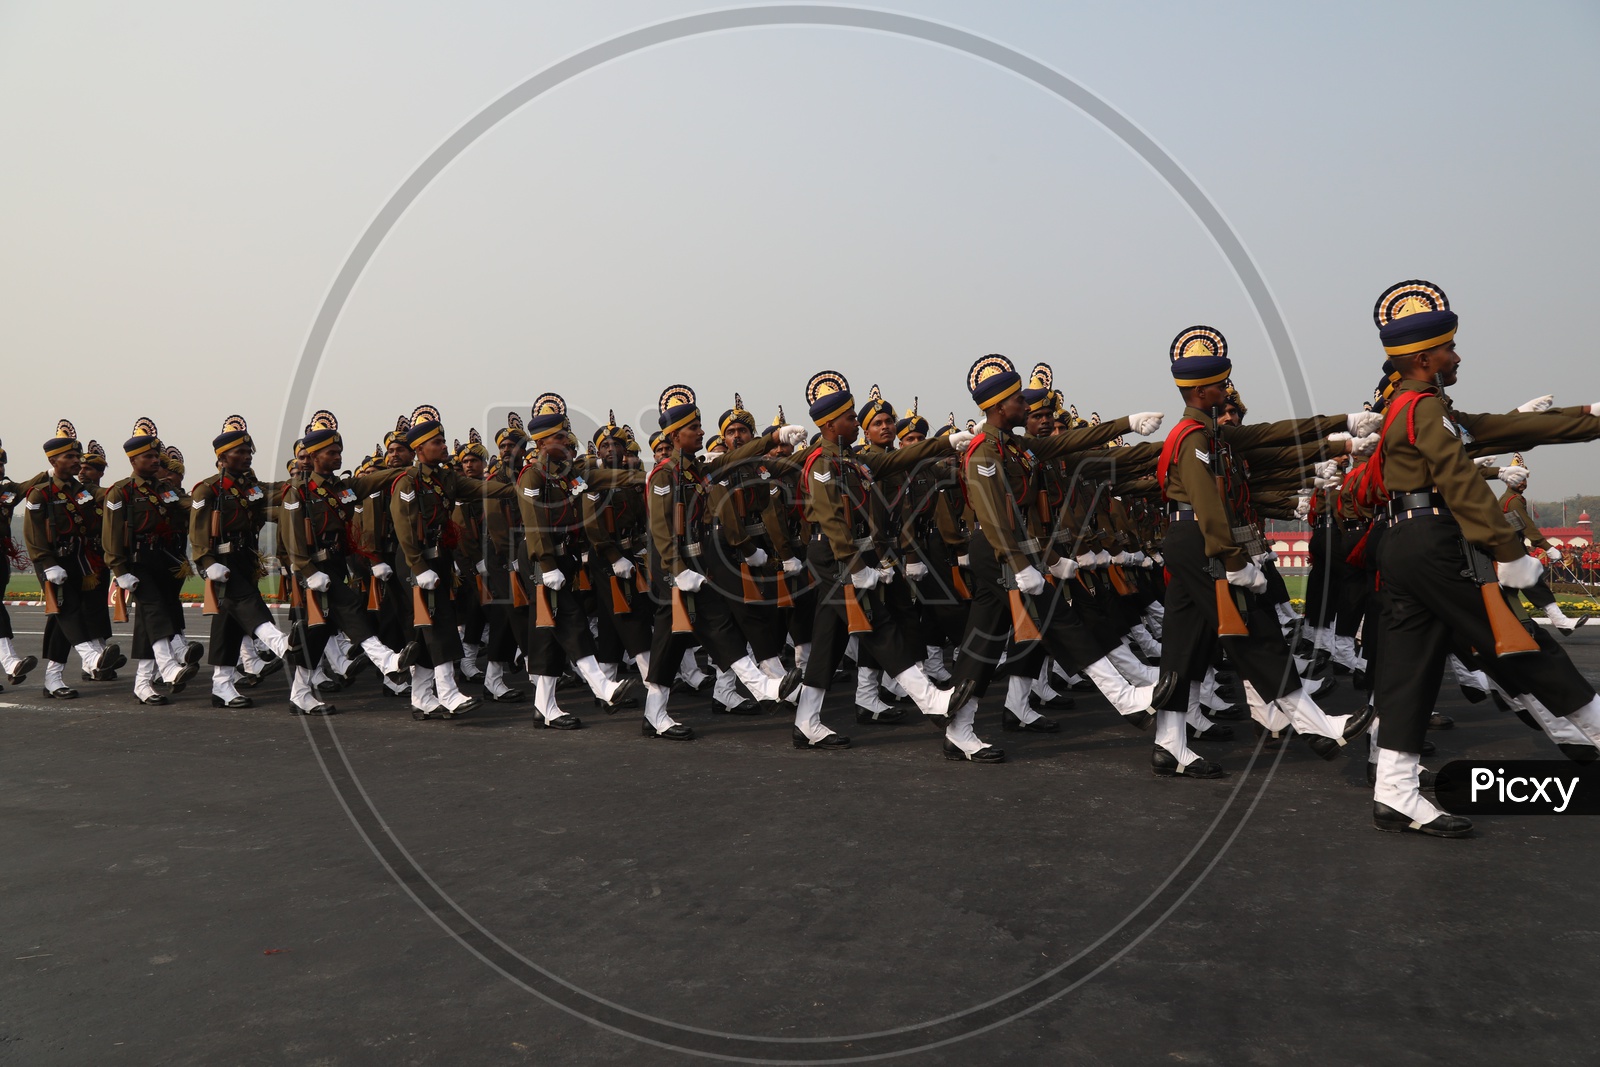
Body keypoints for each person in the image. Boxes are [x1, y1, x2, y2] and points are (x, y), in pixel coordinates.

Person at [1360, 280, 1600, 836]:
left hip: (1405, 544)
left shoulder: (1420, 406)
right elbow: (1460, 478)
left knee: (1409, 669)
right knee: (1517, 643)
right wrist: (1508, 549)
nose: (1456, 354)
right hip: (1434, 542)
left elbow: (1506, 427)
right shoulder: (1422, 409)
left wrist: (1589, 416)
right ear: (1423, 358)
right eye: (1447, 348)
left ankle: (1395, 791)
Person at [1151, 327, 1376, 777]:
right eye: (1219, 384)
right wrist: (1234, 561)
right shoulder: (1193, 438)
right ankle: (1317, 725)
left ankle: (1169, 744)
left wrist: (1340, 429)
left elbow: (1276, 437)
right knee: (1254, 632)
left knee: (1181, 644)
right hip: (1200, 540)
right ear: (1198, 390)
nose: (1225, 390)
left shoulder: (1210, 435)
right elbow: (1207, 505)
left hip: (1191, 540)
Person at [788, 371, 970, 753]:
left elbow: (899, 458)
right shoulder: (823, 463)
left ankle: (806, 723)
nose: (857, 422)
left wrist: (944, 442)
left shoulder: (850, 460)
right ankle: (929, 699)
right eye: (852, 418)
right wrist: (857, 568)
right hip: (835, 558)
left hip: (845, 557)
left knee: (828, 641)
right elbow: (833, 522)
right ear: (830, 424)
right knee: (877, 625)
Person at [278, 410, 420, 714]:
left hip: (334, 567)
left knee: (318, 632)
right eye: (331, 452)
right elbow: (291, 538)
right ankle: (387, 661)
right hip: (314, 570)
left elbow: (377, 479)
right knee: (351, 606)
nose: (338, 456)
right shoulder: (299, 491)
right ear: (314, 456)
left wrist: (409, 470)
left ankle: (300, 694)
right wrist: (307, 571)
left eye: (340, 451)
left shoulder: (343, 488)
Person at [390, 405, 519, 720]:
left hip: (439, 561)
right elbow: (405, 529)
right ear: (419, 449)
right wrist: (419, 568)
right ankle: (447, 692)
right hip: (416, 563)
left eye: (443, 440)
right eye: (437, 442)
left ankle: (421, 697)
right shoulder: (408, 481)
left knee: (425, 631)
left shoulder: (446, 478)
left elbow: (484, 488)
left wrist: (522, 487)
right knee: (439, 625)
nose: (444, 446)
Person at [189, 416, 300, 704]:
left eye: (249, 452)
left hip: (245, 558)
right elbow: (198, 530)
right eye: (240, 451)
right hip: (221, 563)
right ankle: (280, 643)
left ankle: (221, 686)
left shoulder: (249, 487)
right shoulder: (208, 489)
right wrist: (205, 561)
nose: (246, 456)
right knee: (247, 600)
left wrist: (298, 483)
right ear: (222, 457)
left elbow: (273, 491)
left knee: (229, 625)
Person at [102, 419, 203, 705]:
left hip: (164, 561)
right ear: (133, 460)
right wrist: (119, 570)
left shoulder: (165, 489)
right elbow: (110, 535)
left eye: (156, 455)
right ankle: (169, 667)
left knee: (152, 620)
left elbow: (188, 507)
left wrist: (209, 498)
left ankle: (143, 683)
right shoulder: (120, 492)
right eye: (148, 456)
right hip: (137, 563)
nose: (154, 460)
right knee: (156, 612)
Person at [23, 421, 124, 698]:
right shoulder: (39, 493)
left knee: (61, 621)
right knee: (69, 610)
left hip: (80, 561)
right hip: (53, 562)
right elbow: (33, 535)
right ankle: (91, 658)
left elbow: (105, 497)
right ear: (53, 460)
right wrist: (46, 564)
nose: (77, 462)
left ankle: (53, 679)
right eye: (69, 457)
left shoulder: (81, 490)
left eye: (78, 457)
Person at [1496, 457, 1585, 633]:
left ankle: (1522, 625)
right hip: (1509, 550)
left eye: (1524, 479)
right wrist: (1547, 547)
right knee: (1533, 583)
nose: (1522, 483)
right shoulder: (1512, 500)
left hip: (1509, 549)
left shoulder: (1513, 498)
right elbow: (1527, 526)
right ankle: (1561, 622)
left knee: (1509, 591)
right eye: (1518, 479)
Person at [0, 439, 40, 688]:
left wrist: (51, 471)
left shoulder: (5, 491)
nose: (0, 469)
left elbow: (26, 487)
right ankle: (10, 661)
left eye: (2, 464)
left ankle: (10, 662)